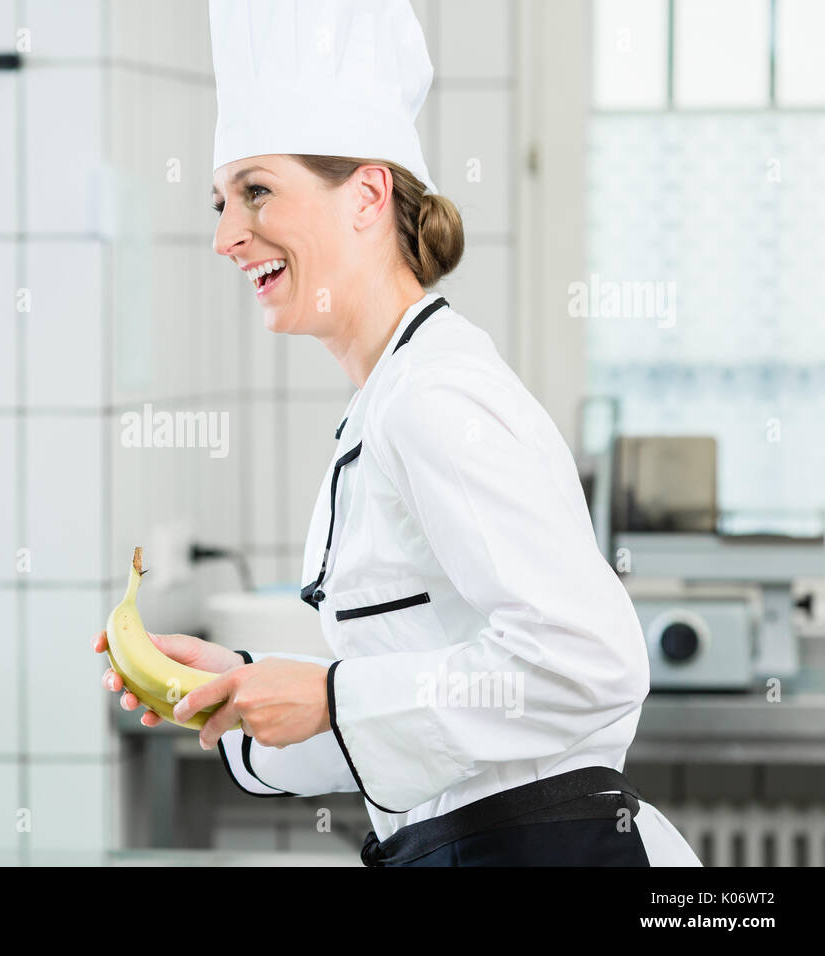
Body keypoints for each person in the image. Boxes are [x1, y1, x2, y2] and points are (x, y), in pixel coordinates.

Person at [95, 0, 700, 866]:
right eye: (223, 201)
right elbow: (432, 732)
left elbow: (589, 662)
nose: (228, 235)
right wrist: (237, 691)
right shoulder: (388, 397)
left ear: (368, 196)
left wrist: (336, 695)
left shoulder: (436, 397)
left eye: (258, 191)